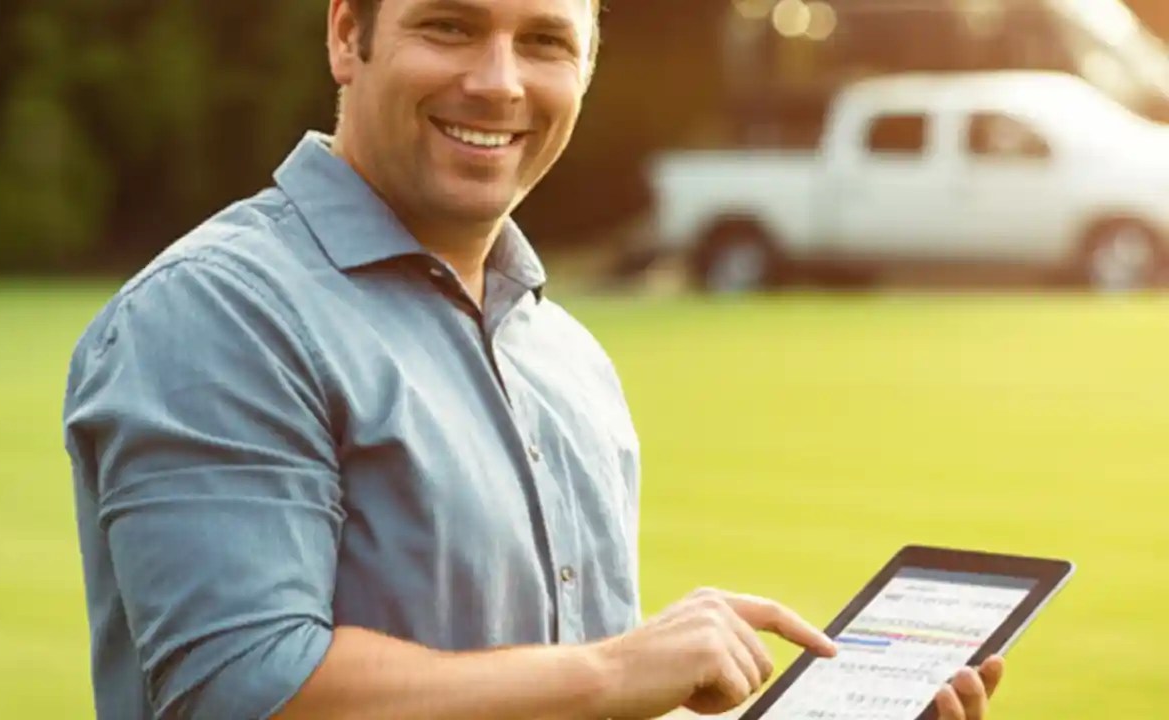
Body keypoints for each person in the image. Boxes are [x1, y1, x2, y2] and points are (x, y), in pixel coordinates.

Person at [62, 0, 1007, 718]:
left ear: (588, 67)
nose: (500, 82)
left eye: (546, 42)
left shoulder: (565, 356)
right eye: (451, 28)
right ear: (349, 37)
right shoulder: (216, 312)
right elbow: (240, 686)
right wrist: (616, 670)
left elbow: (558, 698)